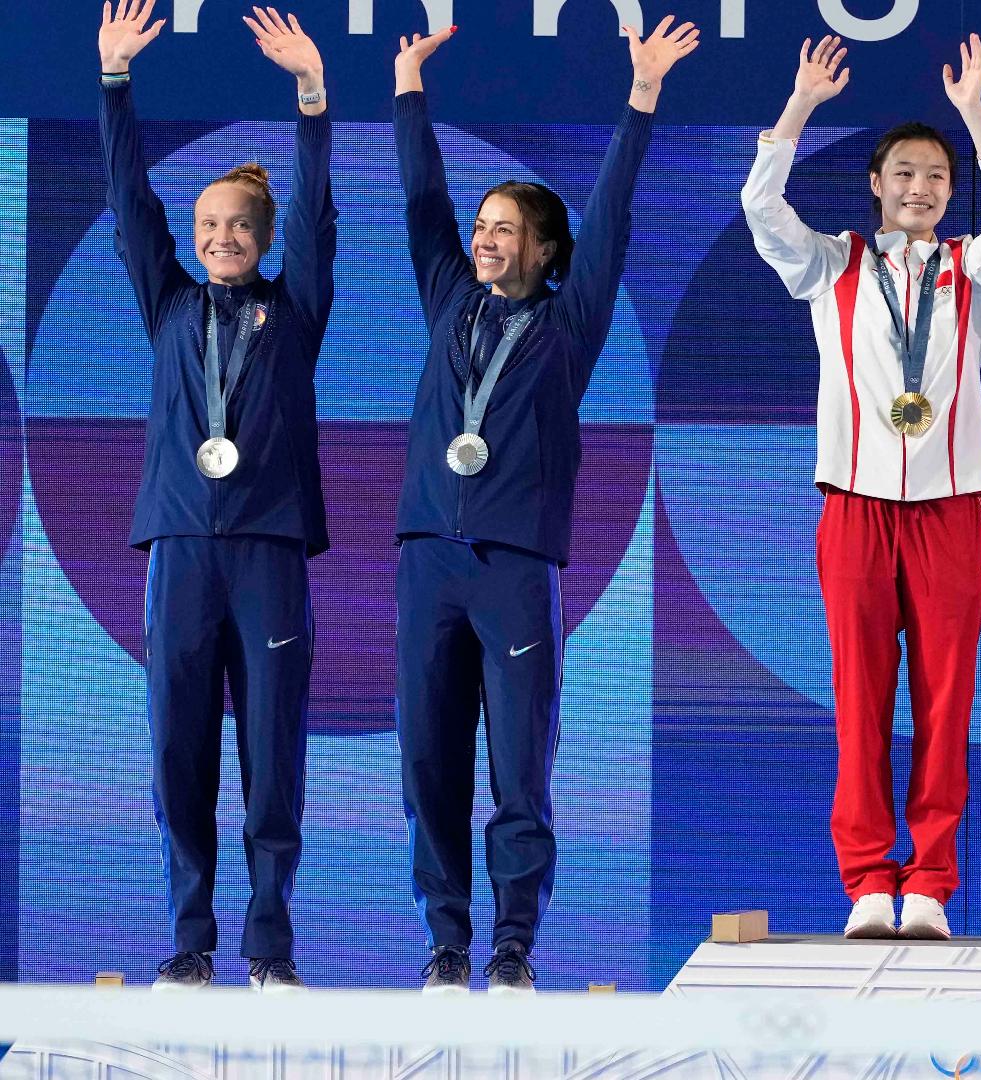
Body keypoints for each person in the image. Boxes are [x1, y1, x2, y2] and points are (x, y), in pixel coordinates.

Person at [390, 15, 697, 993]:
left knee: (520, 771)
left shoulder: (570, 324)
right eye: (481, 227)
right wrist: (407, 90)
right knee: (428, 766)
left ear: (545, 248)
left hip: (517, 567)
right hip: (427, 560)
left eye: (505, 229)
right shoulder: (449, 299)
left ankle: (513, 947)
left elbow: (610, 216)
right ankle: (445, 945)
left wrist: (641, 98)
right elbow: (422, 200)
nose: (484, 239)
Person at [742, 33, 981, 940]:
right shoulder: (831, 264)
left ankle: (931, 884)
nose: (920, 187)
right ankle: (869, 880)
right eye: (904, 173)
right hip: (855, 508)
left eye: (937, 176)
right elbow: (759, 204)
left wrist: (976, 116)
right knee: (861, 703)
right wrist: (800, 105)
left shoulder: (973, 272)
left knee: (946, 707)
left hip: (952, 509)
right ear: (875, 184)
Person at [98, 0, 335, 993]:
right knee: (178, 754)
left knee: (272, 757)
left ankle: (270, 947)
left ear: (264, 236)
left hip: (269, 550)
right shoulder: (169, 305)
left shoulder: (297, 308)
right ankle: (189, 942)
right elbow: (130, 206)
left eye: (239, 225)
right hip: (181, 549)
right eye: (208, 226)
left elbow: (318, 215)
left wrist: (311, 97)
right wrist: (115, 84)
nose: (221, 236)